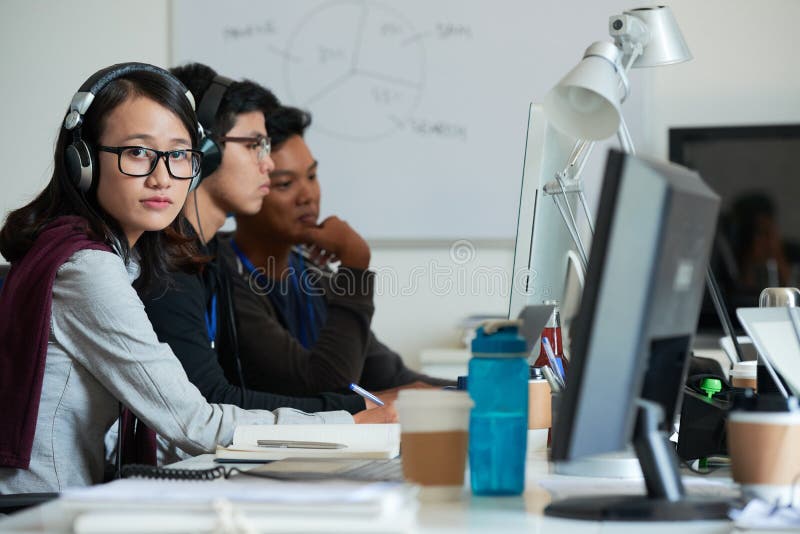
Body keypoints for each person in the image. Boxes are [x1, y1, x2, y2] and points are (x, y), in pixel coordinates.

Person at [0, 63, 353, 493]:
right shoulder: (86, 270)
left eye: (180, 154)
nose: (162, 177)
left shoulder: (122, 260)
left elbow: (161, 428)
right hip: (41, 511)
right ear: (84, 161)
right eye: (137, 152)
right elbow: (193, 422)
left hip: (79, 498)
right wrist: (350, 426)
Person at [139, 63, 392, 419]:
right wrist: (350, 410)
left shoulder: (207, 257)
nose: (269, 165)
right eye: (255, 146)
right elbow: (209, 399)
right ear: (203, 150)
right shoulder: (166, 263)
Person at [224, 105, 453, 397]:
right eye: (285, 183)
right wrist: (355, 263)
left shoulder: (313, 273)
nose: (307, 196)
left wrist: (483, 390)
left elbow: (390, 376)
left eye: (311, 176)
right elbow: (327, 385)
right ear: (248, 186)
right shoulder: (226, 277)